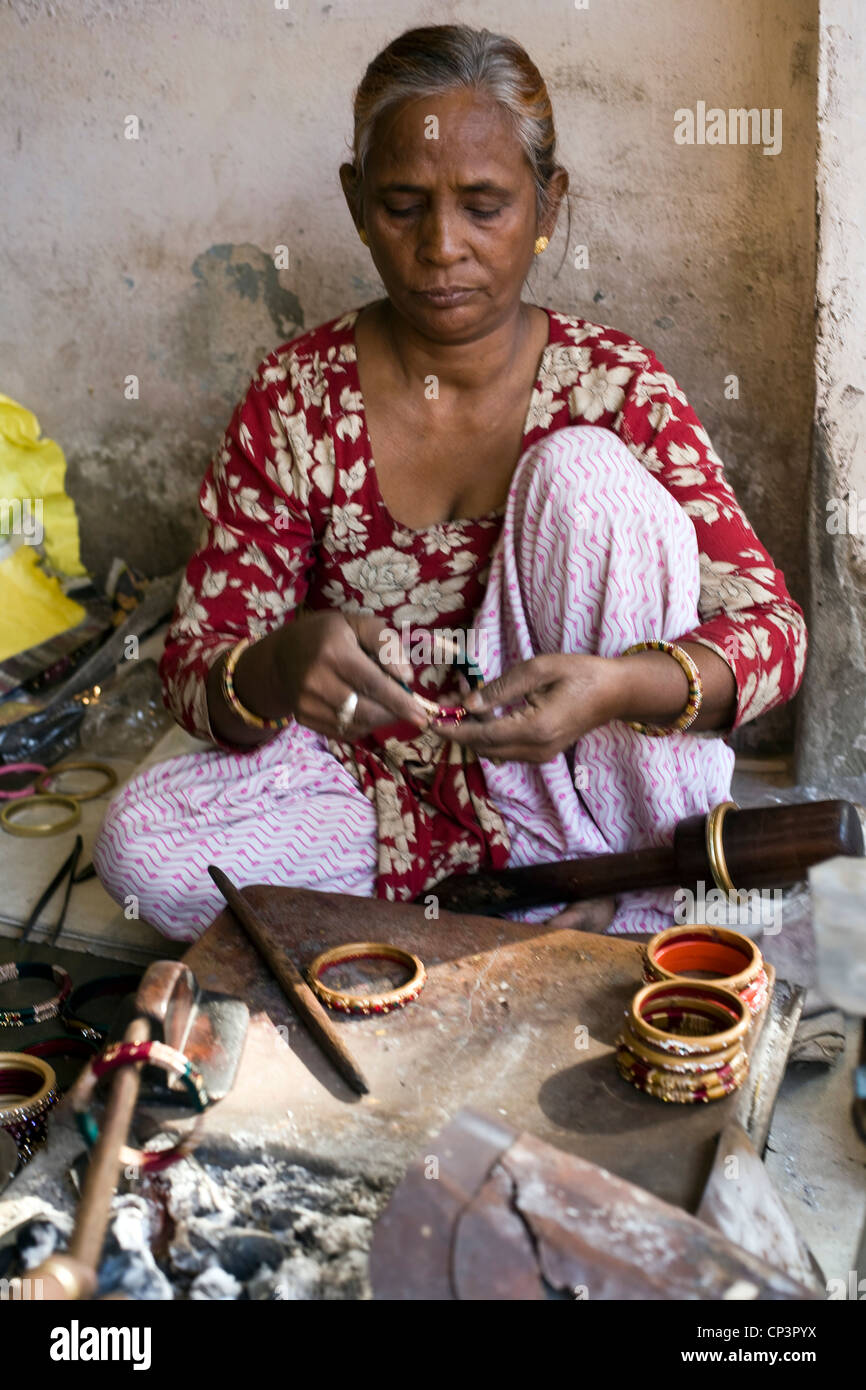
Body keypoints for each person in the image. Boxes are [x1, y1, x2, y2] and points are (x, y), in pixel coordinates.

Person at [93, 24, 806, 942]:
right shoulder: (296, 399)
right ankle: (561, 903)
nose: (441, 246)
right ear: (354, 202)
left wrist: (619, 690)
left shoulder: (615, 386)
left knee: (586, 476)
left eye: (484, 205)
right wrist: (278, 665)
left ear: (548, 206)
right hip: (370, 789)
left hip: (580, 779)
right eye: (402, 205)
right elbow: (195, 667)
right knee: (141, 849)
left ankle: (612, 876)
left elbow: (773, 634)